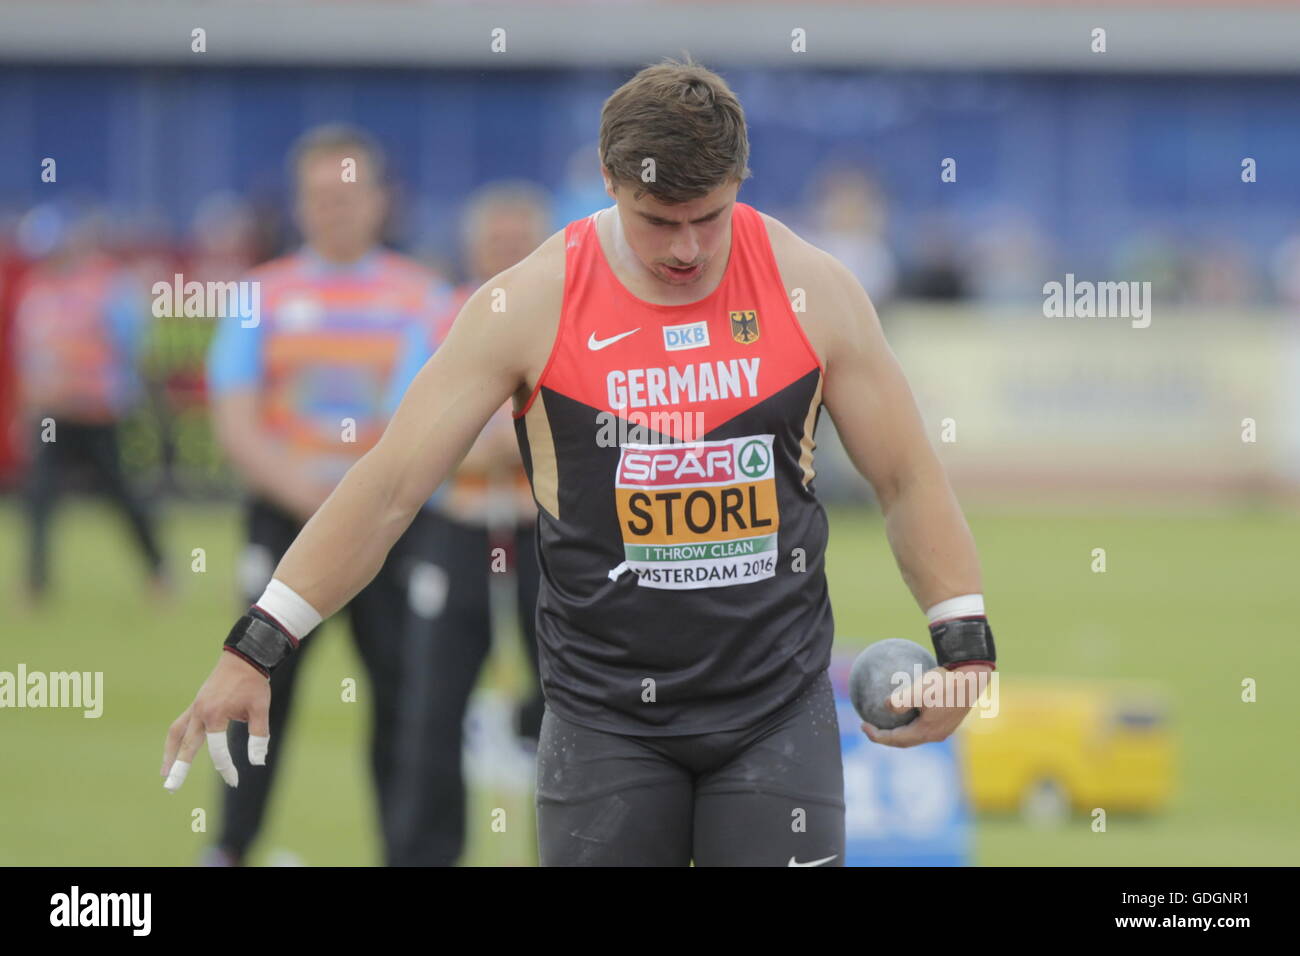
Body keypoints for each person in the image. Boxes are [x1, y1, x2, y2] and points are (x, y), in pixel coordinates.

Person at [165, 58, 997, 867]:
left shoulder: (813, 289)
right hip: (606, 724)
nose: (686, 249)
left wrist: (964, 645)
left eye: (708, 216)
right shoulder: (528, 302)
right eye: (657, 218)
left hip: (776, 715)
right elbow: (388, 487)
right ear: (607, 178)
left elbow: (906, 477)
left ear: (741, 178)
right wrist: (255, 647)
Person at [200, 124, 446, 866]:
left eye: (346, 194)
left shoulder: (423, 297)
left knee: (407, 699)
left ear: (380, 200)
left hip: (391, 528)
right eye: (317, 196)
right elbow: (237, 424)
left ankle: (408, 852)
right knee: (252, 683)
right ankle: (231, 848)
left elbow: (438, 419)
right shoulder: (261, 295)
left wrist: (360, 508)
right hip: (285, 522)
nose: (332, 209)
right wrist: (314, 500)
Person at [383, 181, 550, 866]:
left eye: (520, 243)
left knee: (565, 700)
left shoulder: (562, 314)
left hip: (544, 533)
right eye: (495, 242)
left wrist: (504, 441)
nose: (506, 256)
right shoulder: (438, 316)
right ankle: (424, 853)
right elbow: (405, 423)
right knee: (432, 704)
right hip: (457, 530)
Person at [15, 203, 167, 602]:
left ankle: (159, 573)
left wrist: (126, 395)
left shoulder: (108, 285)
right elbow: (29, 354)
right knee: (39, 500)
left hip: (97, 414)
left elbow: (133, 344)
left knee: (122, 496)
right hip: (53, 416)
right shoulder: (37, 289)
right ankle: (35, 585)